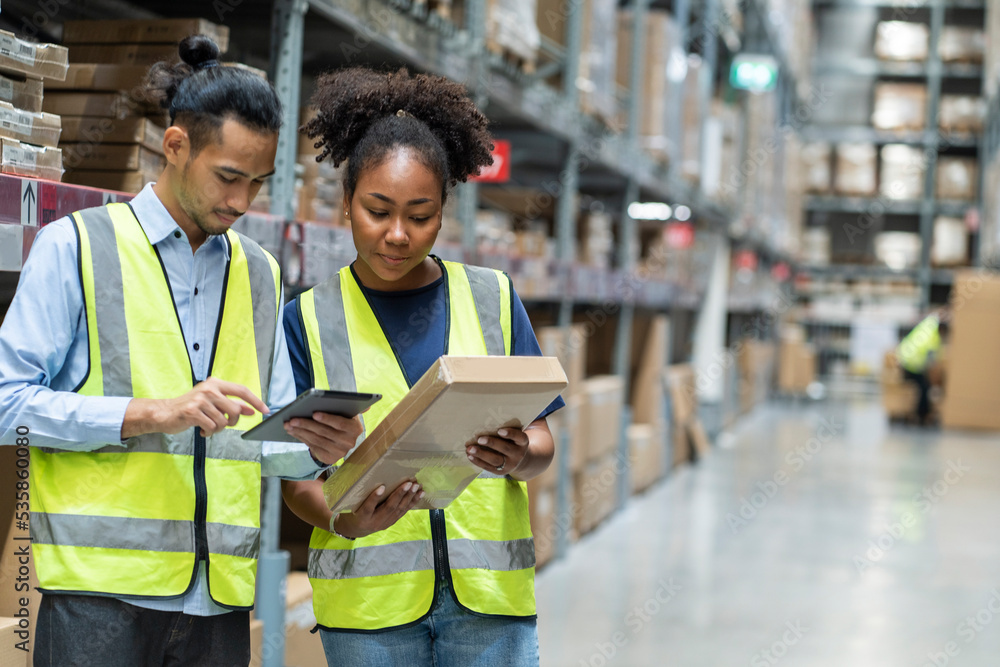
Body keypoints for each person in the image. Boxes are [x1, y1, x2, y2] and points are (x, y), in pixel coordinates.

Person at [0, 36, 362, 666]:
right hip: (98, 600)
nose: (242, 202)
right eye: (228, 177)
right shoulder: (75, 246)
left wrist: (313, 448)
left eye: (257, 182)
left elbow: (258, 437)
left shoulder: (261, 272)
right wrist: (152, 413)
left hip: (218, 605)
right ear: (175, 146)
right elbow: (9, 405)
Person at [280, 67, 565, 667]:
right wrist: (346, 519)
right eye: (378, 210)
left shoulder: (492, 297)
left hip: (488, 603)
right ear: (347, 202)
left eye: (420, 214)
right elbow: (295, 478)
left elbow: (542, 440)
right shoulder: (306, 319)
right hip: (368, 611)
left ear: (443, 212)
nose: (397, 235)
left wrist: (519, 455)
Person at [896, 310, 948, 426]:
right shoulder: (932, 337)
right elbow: (931, 363)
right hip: (911, 365)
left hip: (905, 359)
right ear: (942, 330)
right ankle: (922, 416)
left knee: (924, 386)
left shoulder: (927, 326)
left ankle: (922, 414)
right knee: (925, 387)